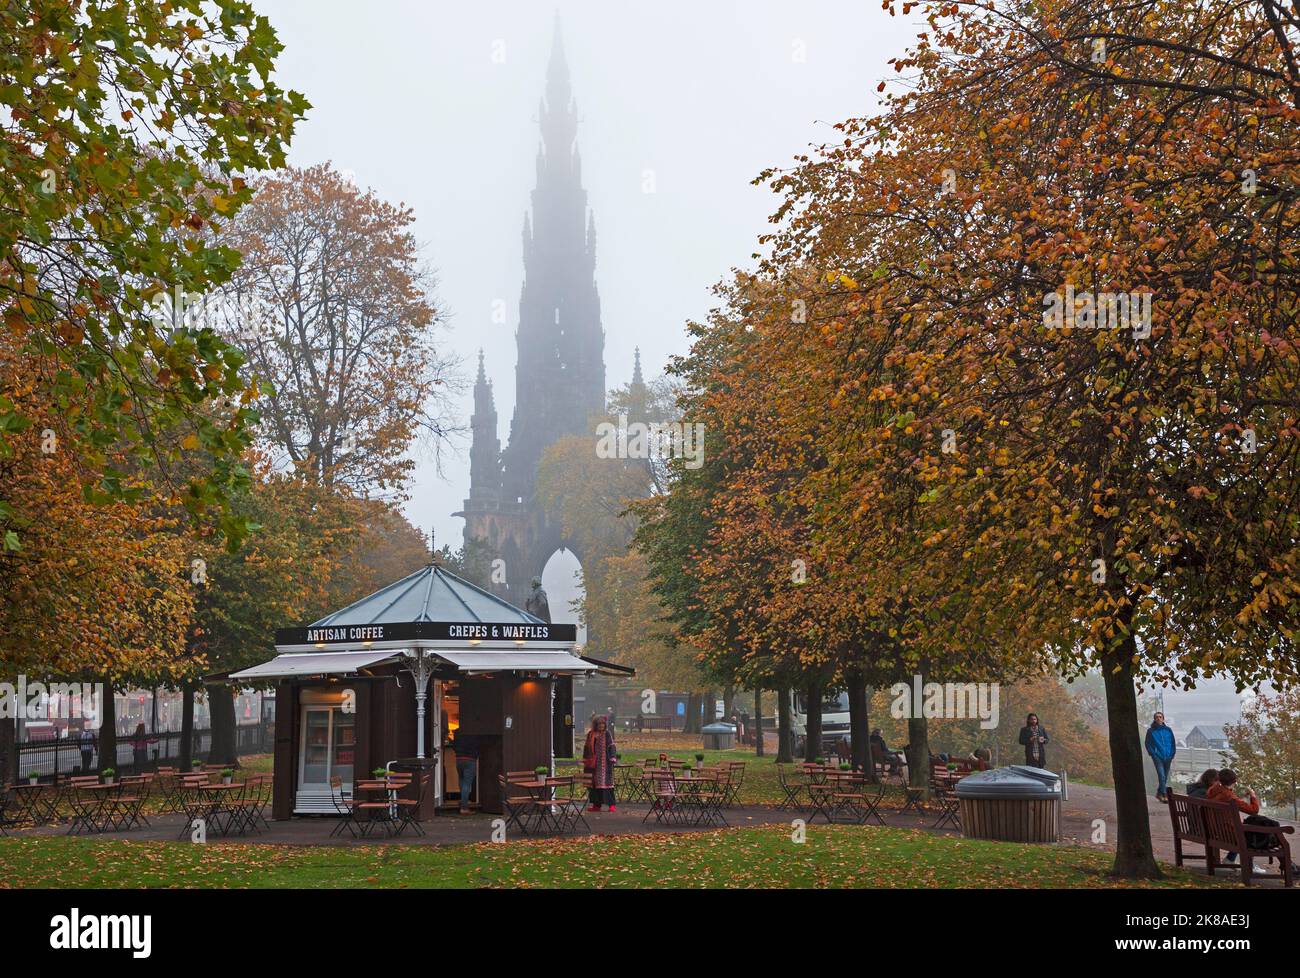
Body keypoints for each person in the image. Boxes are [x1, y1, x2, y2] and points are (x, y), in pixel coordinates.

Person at [1208, 769, 1299, 873]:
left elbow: (1230, 800)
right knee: (1268, 827)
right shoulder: (1229, 796)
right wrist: (1253, 795)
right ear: (1234, 782)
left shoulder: (1213, 790)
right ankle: (1286, 866)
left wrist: (1240, 798)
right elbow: (1254, 810)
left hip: (1219, 831)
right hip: (1232, 833)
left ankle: (1230, 858)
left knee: (1260, 822)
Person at [583, 714, 618, 812]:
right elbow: (586, 747)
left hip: (604, 763)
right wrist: (585, 759)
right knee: (594, 785)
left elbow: (612, 746)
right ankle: (596, 805)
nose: (601, 726)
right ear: (595, 725)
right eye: (599, 724)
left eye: (603, 724)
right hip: (593, 764)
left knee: (606, 784)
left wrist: (612, 757)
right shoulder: (591, 734)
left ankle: (611, 805)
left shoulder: (607, 734)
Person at [1144, 712, 1177, 802]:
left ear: (1163, 719)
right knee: (1161, 775)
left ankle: (1159, 793)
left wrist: (1172, 754)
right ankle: (1164, 794)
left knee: (1165, 776)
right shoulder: (1151, 731)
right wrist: (1153, 754)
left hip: (1168, 757)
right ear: (1154, 719)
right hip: (1158, 757)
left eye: (1160, 717)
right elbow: (1148, 744)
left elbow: (1173, 743)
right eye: (1157, 717)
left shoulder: (1168, 730)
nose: (1158, 718)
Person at [450, 726, 481, 815]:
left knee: (461, 781)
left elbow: (454, 745)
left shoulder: (457, 732)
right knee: (467, 784)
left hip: (459, 759)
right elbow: (479, 745)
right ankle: (464, 808)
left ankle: (463, 800)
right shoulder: (475, 733)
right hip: (470, 760)